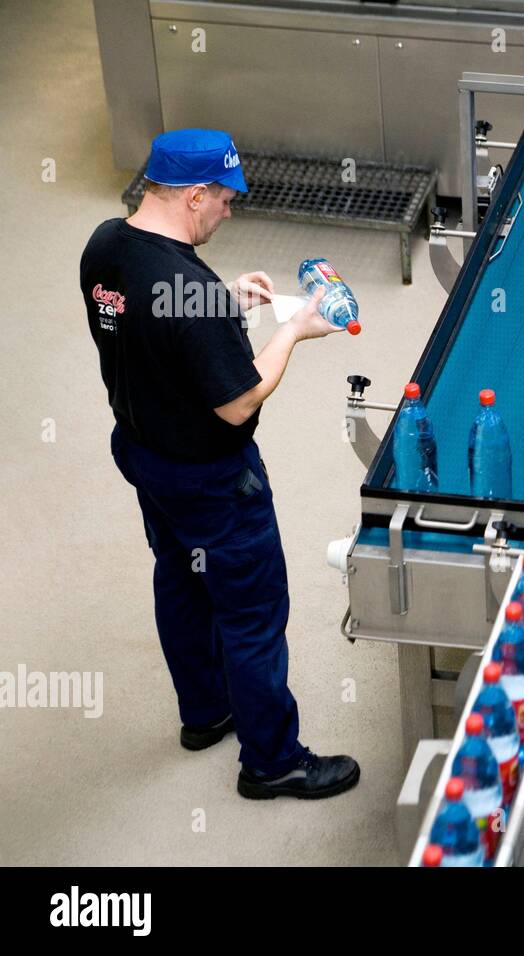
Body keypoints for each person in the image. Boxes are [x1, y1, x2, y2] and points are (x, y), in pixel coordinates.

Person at [80, 128, 359, 800]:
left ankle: (205, 713)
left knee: (180, 576)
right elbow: (238, 402)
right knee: (253, 613)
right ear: (195, 195)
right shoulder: (178, 277)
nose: (231, 212)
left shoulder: (106, 245)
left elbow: (151, 326)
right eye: (226, 201)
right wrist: (292, 330)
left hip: (144, 455)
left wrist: (219, 301)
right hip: (212, 478)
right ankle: (273, 761)